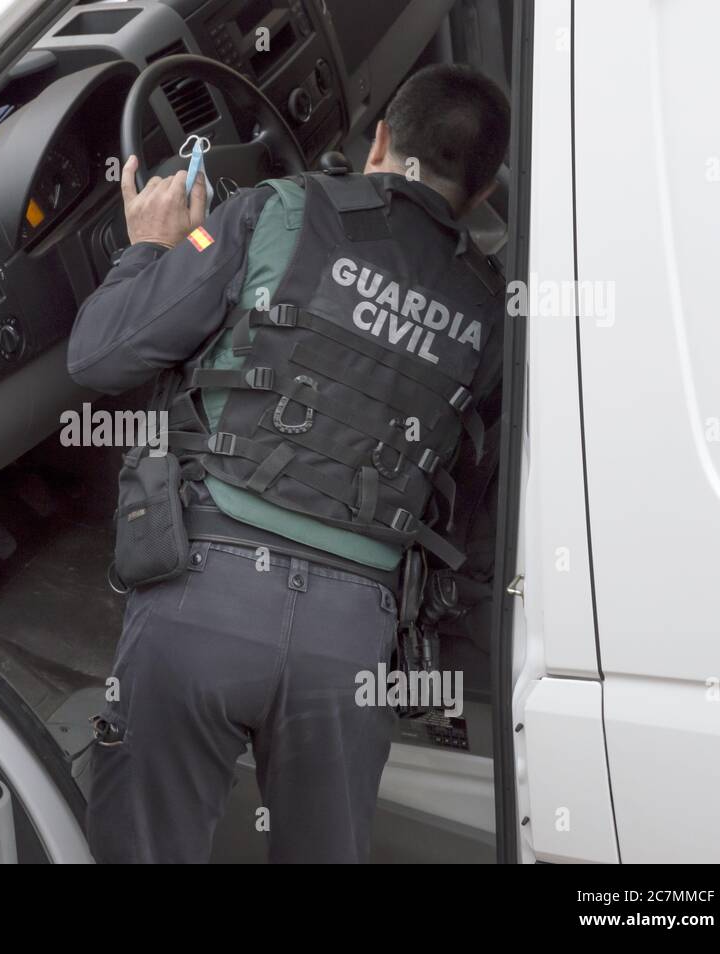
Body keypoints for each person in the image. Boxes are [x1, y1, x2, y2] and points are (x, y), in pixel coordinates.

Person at [68, 63, 511, 863]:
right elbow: (471, 505)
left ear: (379, 139)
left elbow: (100, 356)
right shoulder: (491, 311)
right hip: (350, 652)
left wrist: (148, 250)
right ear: (481, 195)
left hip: (200, 598)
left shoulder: (271, 209)